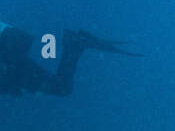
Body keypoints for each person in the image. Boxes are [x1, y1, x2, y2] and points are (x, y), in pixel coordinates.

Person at [0, 21, 141, 96]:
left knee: (61, 88)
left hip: (9, 53)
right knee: (60, 87)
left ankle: (74, 45)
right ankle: (74, 43)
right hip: (10, 46)